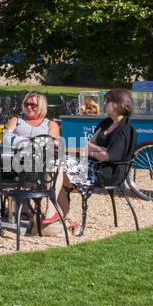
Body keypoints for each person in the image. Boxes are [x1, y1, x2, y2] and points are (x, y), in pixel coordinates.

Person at [49, 88, 138, 235]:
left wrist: (94, 150)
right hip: (89, 165)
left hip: (105, 172)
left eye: (108, 101)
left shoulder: (125, 130)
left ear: (118, 104)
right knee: (52, 169)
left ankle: (54, 214)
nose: (105, 104)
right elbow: (88, 146)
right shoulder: (105, 123)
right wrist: (97, 150)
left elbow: (108, 156)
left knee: (56, 169)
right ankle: (67, 217)